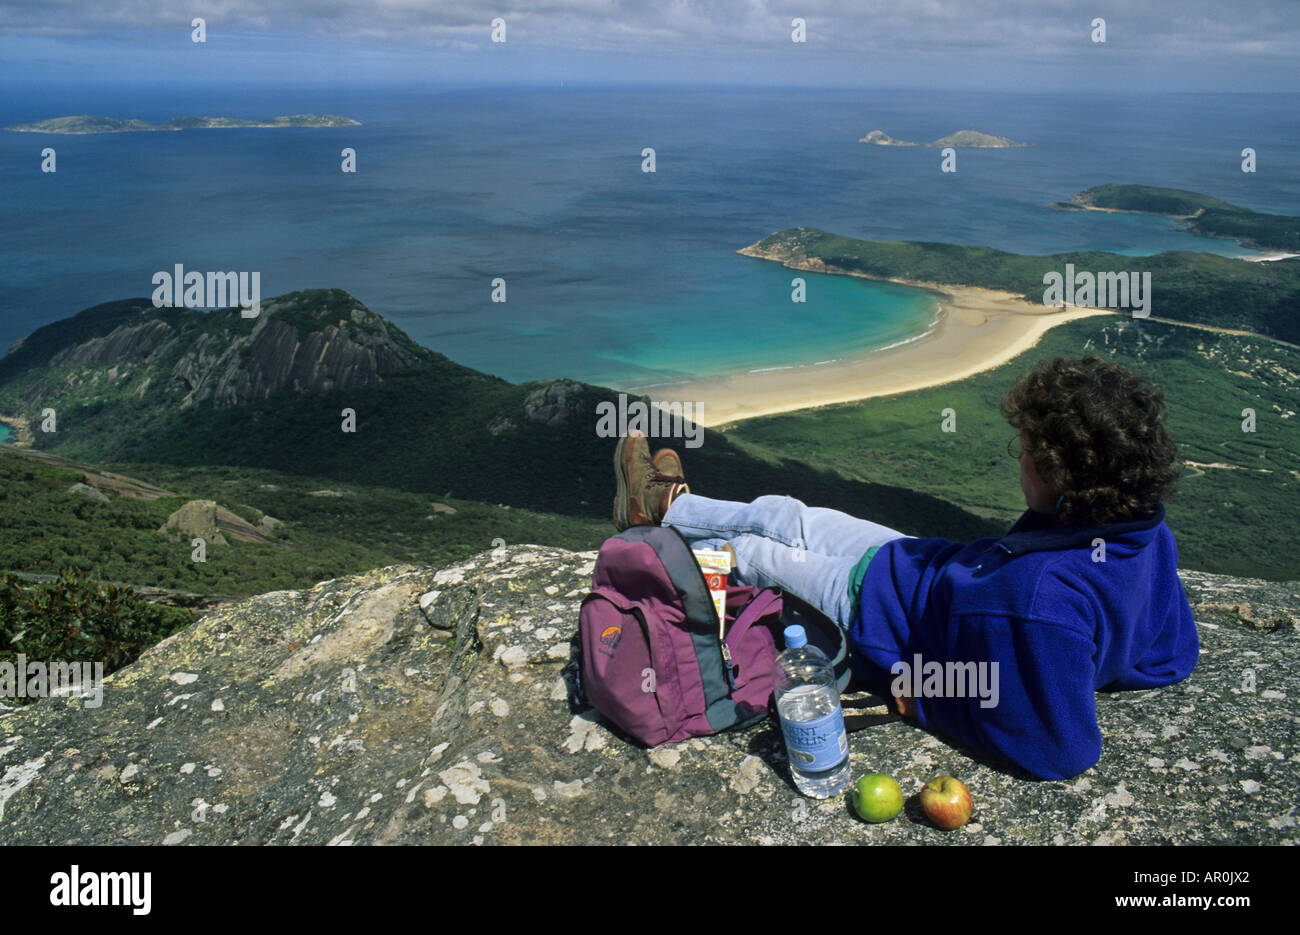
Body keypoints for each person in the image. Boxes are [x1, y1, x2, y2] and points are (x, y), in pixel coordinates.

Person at [610, 355, 1199, 780]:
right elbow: (1173, 652)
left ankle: (650, 541)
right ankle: (666, 504)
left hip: (874, 613)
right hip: (916, 565)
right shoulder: (1142, 529)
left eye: (1023, 452)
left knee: (758, 555)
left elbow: (1058, 749)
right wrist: (1096, 663)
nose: (1017, 461)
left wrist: (925, 699)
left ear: (1063, 480)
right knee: (783, 514)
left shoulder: (1035, 604)